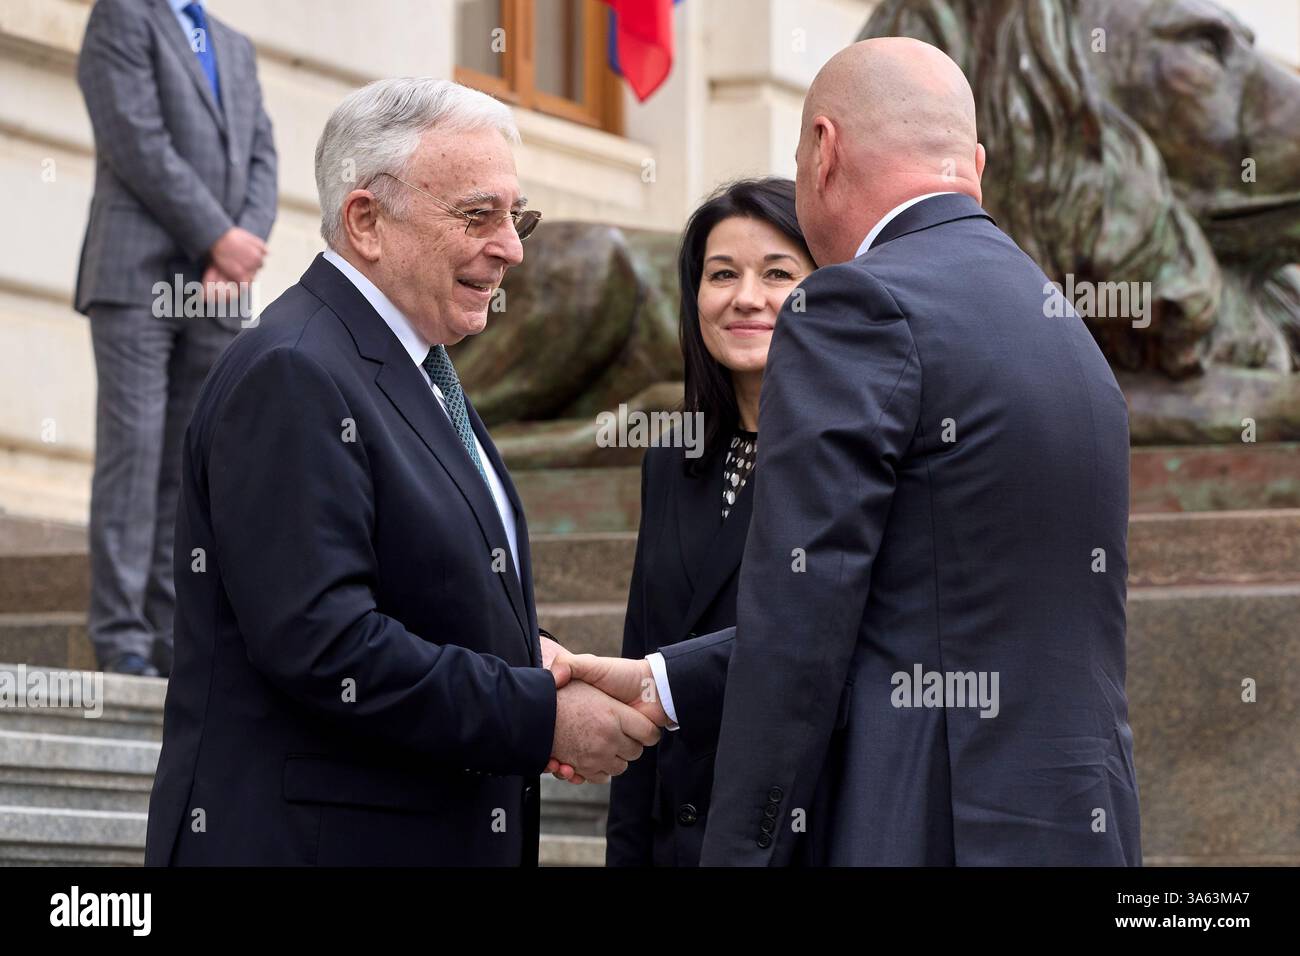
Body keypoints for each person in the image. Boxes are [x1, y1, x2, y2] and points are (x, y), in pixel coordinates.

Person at [556, 37, 1141, 866]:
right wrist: (660, 682)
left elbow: (806, 617)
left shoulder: (858, 304)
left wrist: (738, 852)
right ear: (971, 164)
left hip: (917, 823)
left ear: (825, 151)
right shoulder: (1061, 324)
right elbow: (911, 607)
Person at [144, 78, 659, 866]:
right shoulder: (295, 371)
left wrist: (535, 657)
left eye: (516, 218)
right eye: (478, 216)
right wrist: (538, 715)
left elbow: (418, 589)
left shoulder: (411, 365)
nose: (512, 248)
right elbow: (326, 645)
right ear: (366, 221)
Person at [602, 179, 814, 866]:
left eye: (778, 273)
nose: (746, 297)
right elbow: (642, 661)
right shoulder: (673, 455)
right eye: (722, 275)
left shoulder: (852, 456)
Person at [75, 0, 277, 676]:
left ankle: (172, 632)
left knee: (196, 463)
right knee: (134, 454)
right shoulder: (122, 17)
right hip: (136, 274)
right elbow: (135, 138)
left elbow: (261, 157)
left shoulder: (235, 45)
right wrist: (217, 236)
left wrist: (241, 245)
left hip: (219, 289)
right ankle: (121, 636)